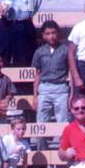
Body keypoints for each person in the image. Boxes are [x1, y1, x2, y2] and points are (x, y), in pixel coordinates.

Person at [30, 19, 71, 151]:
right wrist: (35, 96)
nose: (51, 36)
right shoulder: (40, 51)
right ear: (43, 35)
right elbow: (37, 74)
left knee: (63, 122)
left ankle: (63, 152)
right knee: (41, 122)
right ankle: (42, 152)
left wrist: (71, 93)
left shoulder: (65, 50)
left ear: (58, 33)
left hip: (61, 89)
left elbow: (71, 71)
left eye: (54, 33)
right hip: (45, 88)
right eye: (48, 33)